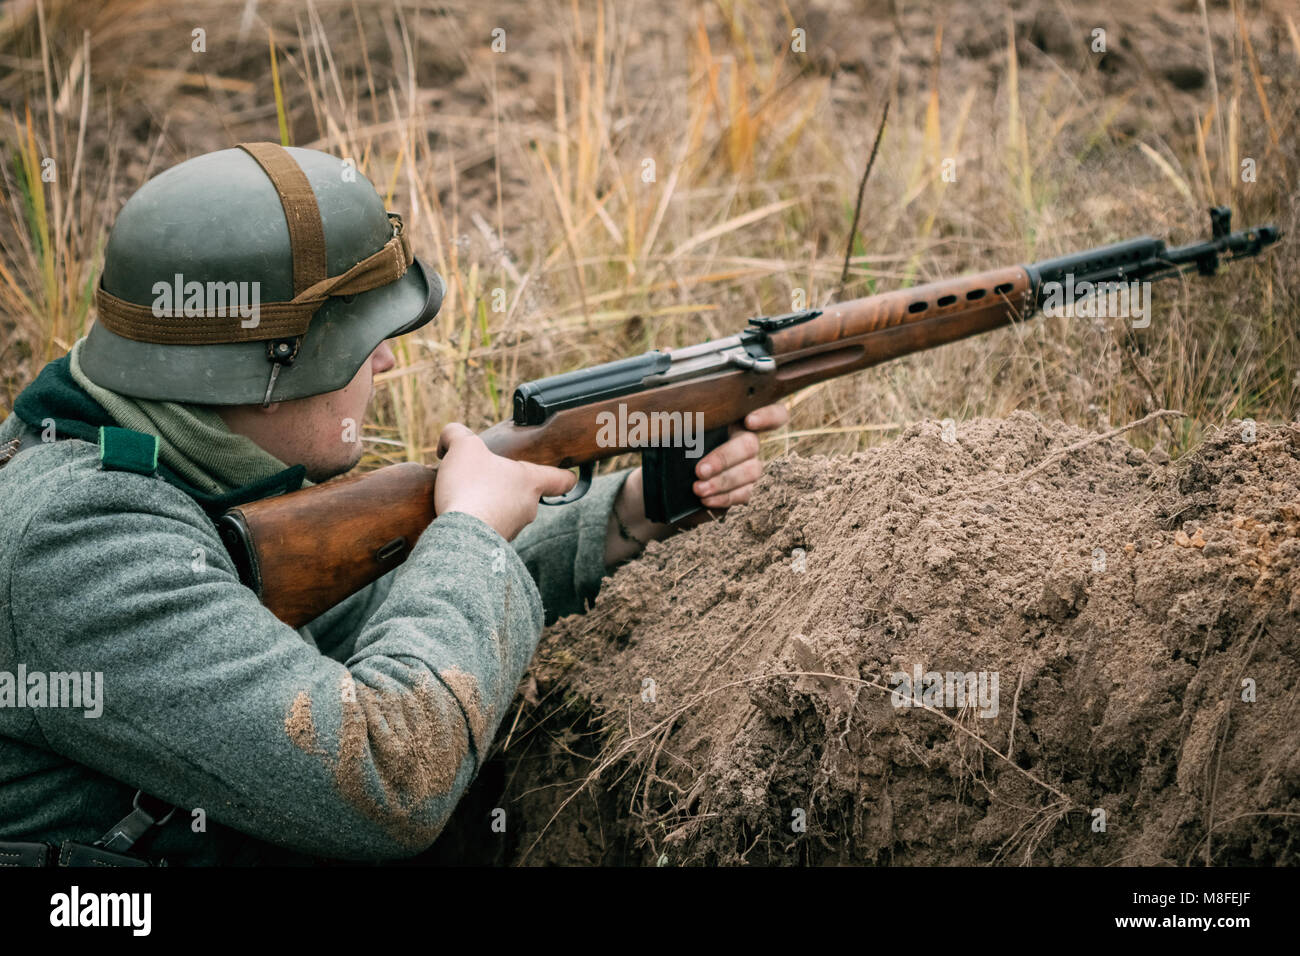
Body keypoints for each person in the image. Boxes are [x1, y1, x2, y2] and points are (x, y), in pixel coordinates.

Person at [0, 143, 787, 865]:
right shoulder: (79, 546)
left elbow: (366, 610)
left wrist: (621, 516)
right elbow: (390, 778)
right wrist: (471, 533)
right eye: (354, 339)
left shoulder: (166, 455)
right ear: (265, 369)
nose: (383, 356)